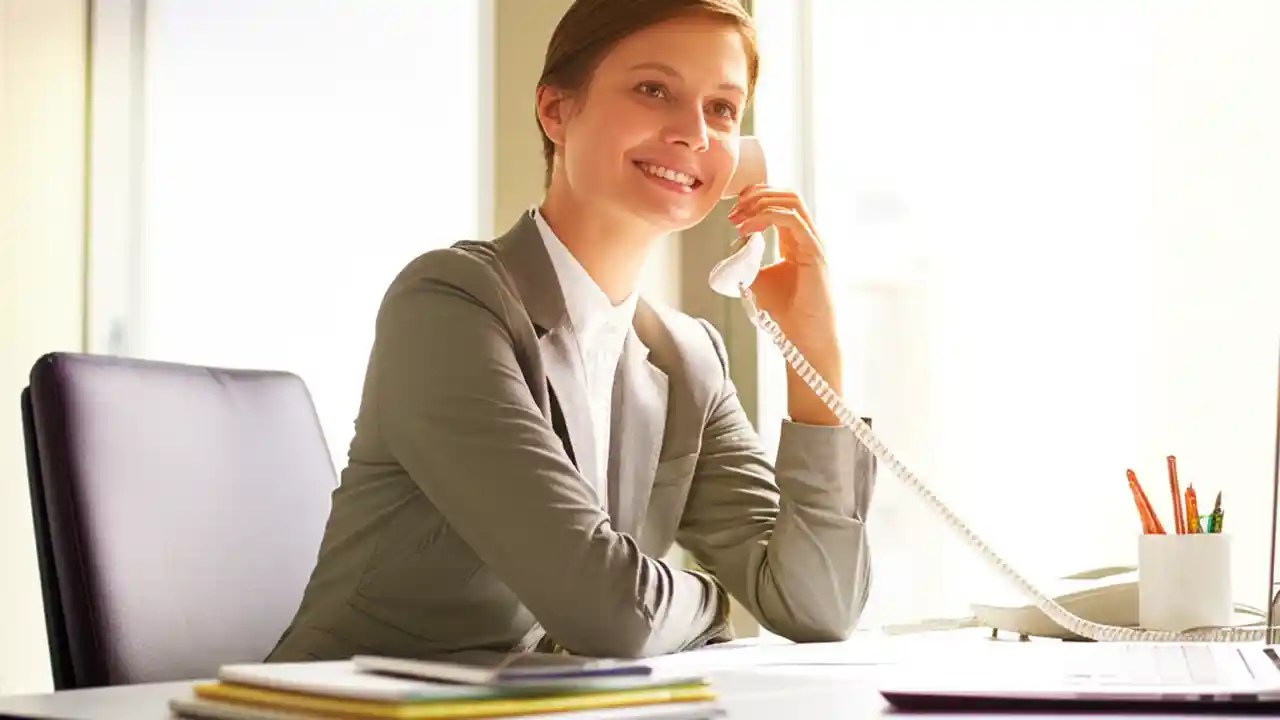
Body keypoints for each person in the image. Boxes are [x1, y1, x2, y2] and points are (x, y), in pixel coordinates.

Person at [268, 0, 875, 661]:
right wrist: (713, 600)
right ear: (557, 111)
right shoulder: (448, 303)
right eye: (654, 90)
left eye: (722, 109)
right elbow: (614, 616)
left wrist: (814, 354)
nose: (694, 133)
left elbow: (818, 606)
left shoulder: (689, 359)